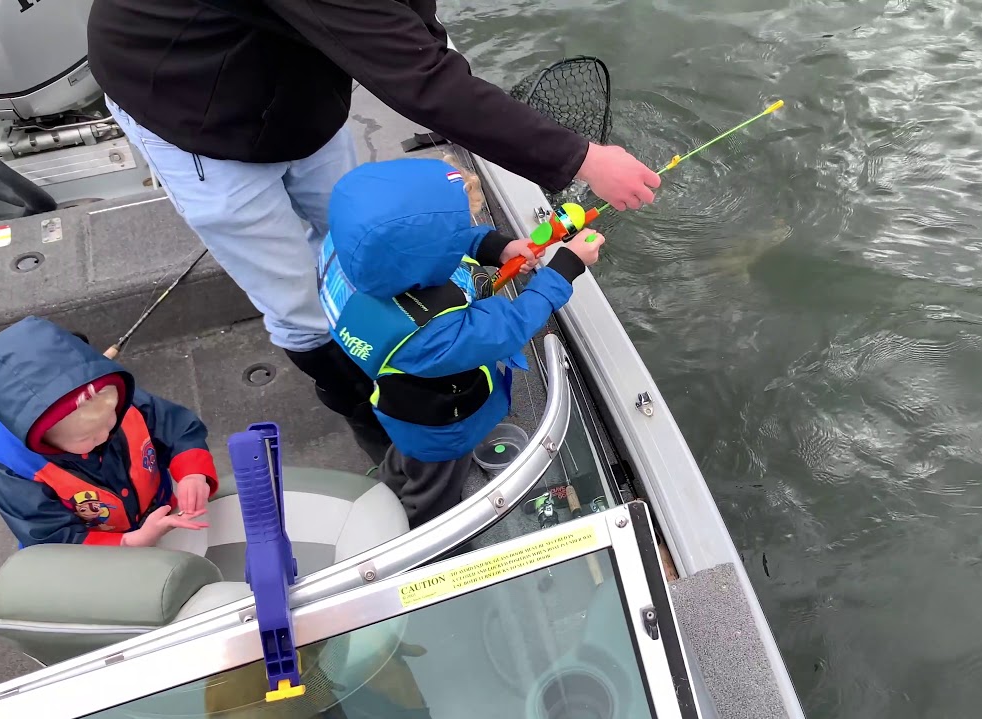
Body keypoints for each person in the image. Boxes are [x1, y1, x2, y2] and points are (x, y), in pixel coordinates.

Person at [86, 0, 659, 462]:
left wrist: (489, 245)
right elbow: (424, 81)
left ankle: (365, 345)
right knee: (297, 301)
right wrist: (580, 163)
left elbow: (411, 34)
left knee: (350, 227)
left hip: (295, 89)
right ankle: (373, 416)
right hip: (192, 108)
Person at [318, 157, 604, 526]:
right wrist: (566, 266)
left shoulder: (355, 253)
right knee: (434, 488)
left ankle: (388, 484)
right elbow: (511, 326)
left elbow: (432, 241)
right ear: (423, 255)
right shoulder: (430, 335)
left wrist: (496, 247)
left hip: (398, 409)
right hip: (440, 429)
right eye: (457, 232)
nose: (464, 233)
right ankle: (426, 543)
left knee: (408, 457)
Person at [0, 317, 217, 548]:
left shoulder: (112, 401)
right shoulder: (15, 471)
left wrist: (193, 474)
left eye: (112, 418)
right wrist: (129, 542)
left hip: (161, 511)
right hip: (96, 556)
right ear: (45, 440)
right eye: (87, 437)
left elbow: (177, 428)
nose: (105, 435)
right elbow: (51, 539)